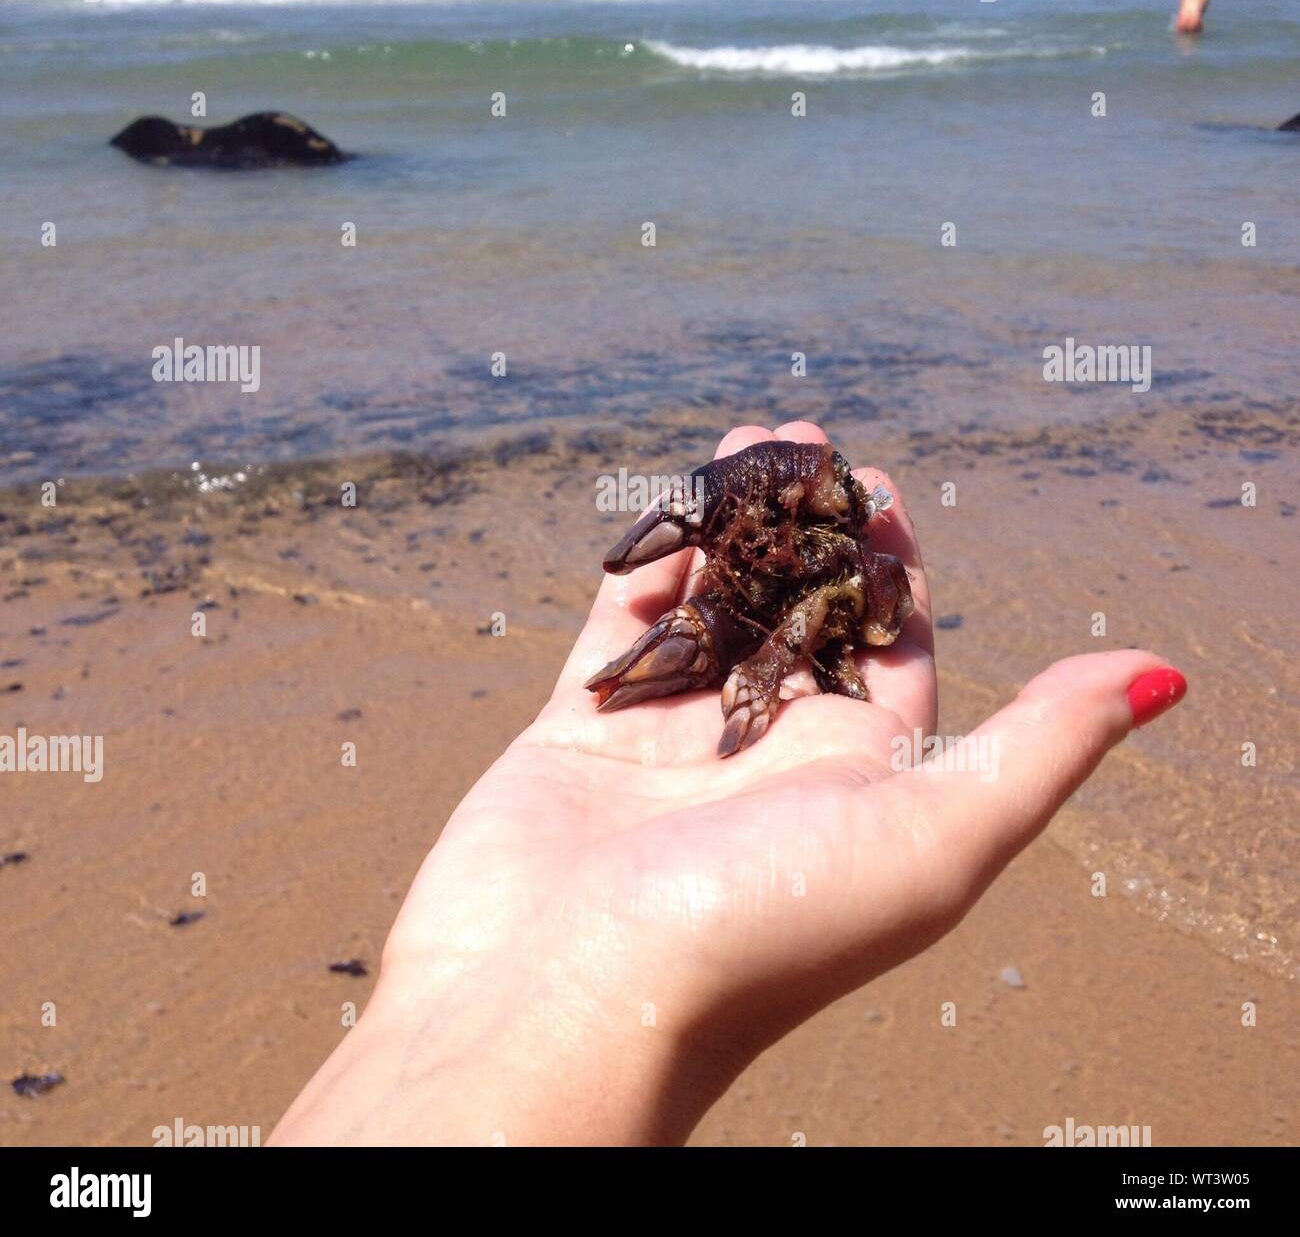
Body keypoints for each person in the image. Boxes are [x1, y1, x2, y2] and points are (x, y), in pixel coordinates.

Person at [270, 420, 1187, 1146]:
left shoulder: (849, 546)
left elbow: (864, 563)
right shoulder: (750, 558)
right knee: (704, 622)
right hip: (754, 604)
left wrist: (788, 650)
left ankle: (761, 643)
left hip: (831, 605)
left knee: (802, 596)